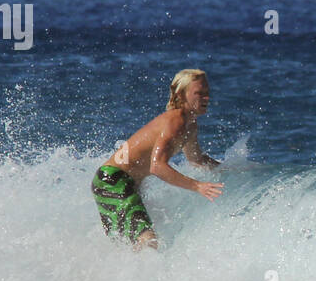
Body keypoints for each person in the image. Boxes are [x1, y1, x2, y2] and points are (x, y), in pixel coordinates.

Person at [90, 68, 224, 250]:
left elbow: (196, 159)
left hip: (124, 185)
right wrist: (197, 186)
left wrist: (230, 169)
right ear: (181, 94)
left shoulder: (189, 126)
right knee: (148, 240)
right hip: (113, 181)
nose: (206, 98)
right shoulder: (174, 122)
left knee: (131, 245)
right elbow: (157, 166)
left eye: (207, 93)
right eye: (199, 93)